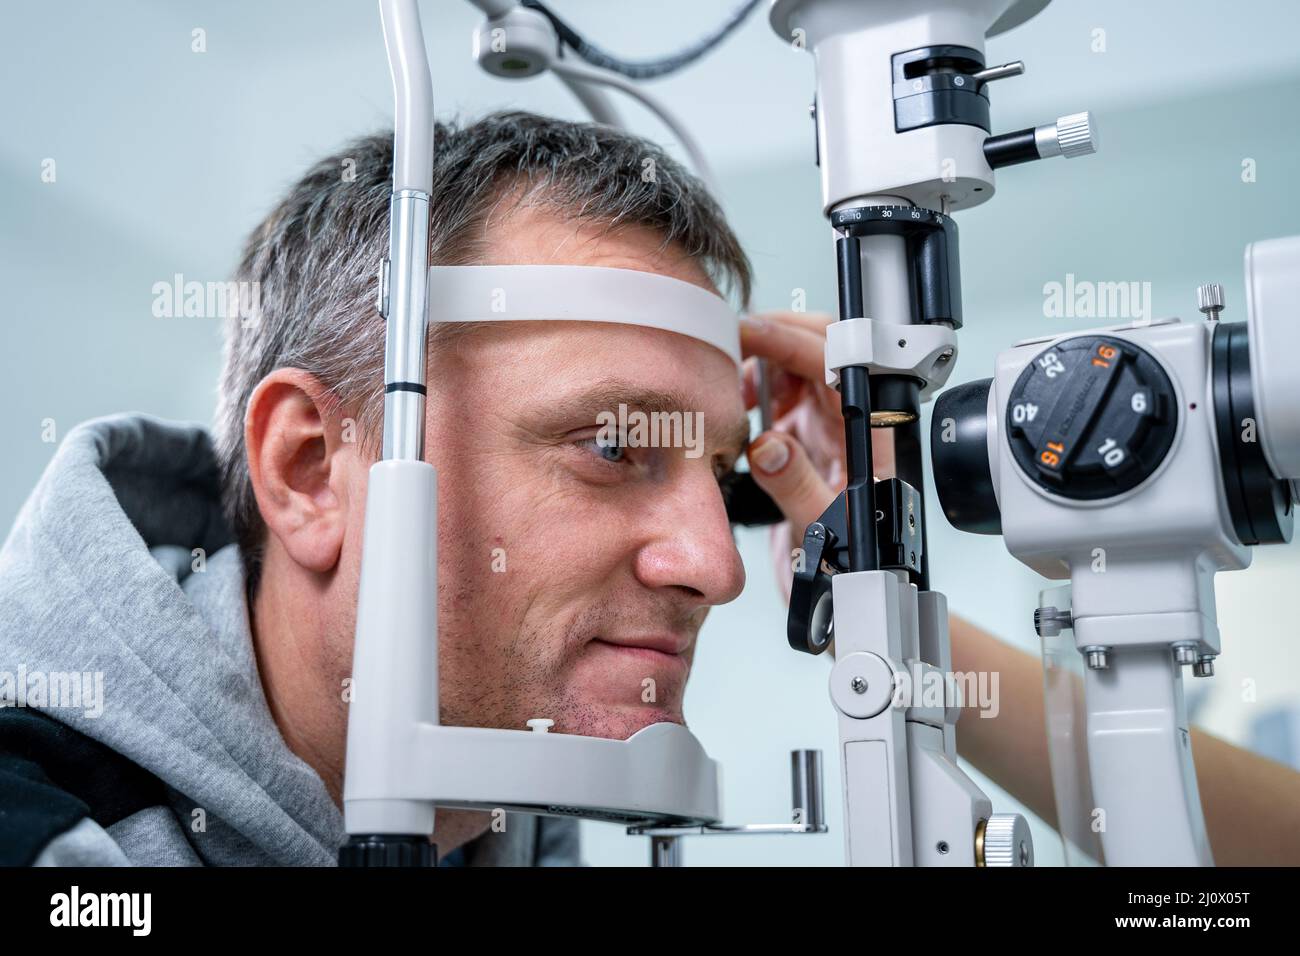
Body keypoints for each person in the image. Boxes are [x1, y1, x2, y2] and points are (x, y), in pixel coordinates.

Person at [1, 111, 1296, 867]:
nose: (720, 566)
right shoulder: (49, 839)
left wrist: (865, 566)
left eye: (722, 470)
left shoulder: (515, 811)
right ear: (309, 472)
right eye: (614, 446)